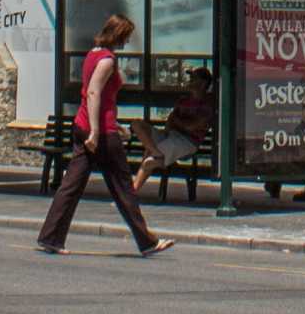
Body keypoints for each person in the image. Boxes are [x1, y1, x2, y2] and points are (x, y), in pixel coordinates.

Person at [35, 15, 170, 258]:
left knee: (71, 184)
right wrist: (97, 131)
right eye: (125, 37)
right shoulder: (107, 60)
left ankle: (51, 237)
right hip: (99, 132)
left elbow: (97, 94)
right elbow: (94, 93)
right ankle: (147, 241)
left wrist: (112, 124)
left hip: (86, 124)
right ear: (118, 35)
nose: (126, 42)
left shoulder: (92, 54)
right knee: (123, 188)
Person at [133, 68, 218, 198]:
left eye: (194, 78)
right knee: (137, 124)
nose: (190, 80)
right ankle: (155, 151)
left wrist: (177, 120)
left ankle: (130, 194)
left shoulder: (207, 104)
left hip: (187, 142)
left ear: (202, 83)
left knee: (148, 162)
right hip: (170, 135)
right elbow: (170, 121)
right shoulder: (182, 100)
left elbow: (192, 126)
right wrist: (176, 124)